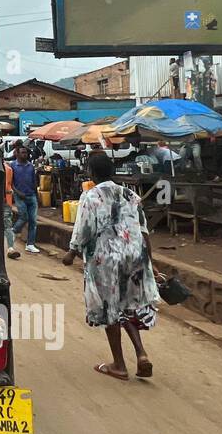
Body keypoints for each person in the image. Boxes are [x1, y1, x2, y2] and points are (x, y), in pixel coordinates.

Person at [62, 152, 163, 381]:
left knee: (110, 309)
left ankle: (119, 365)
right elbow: (143, 230)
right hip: (134, 256)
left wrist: (71, 252)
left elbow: (84, 228)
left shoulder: (90, 196)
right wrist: (150, 261)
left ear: (91, 173)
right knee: (128, 307)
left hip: (106, 259)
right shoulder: (130, 194)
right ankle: (141, 354)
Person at [9, 147, 40, 254]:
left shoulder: (30, 166)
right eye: (22, 153)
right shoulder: (13, 166)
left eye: (26, 153)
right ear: (17, 154)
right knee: (24, 216)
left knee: (33, 221)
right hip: (19, 196)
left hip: (31, 195)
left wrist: (36, 194)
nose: (24, 154)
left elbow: (34, 181)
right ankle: (13, 231)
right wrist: (17, 192)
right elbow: (11, 183)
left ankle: (30, 244)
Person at [3, 154, 19, 261]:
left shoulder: (8, 169)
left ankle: (10, 248)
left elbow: (11, 184)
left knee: (7, 225)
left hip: (6, 201)